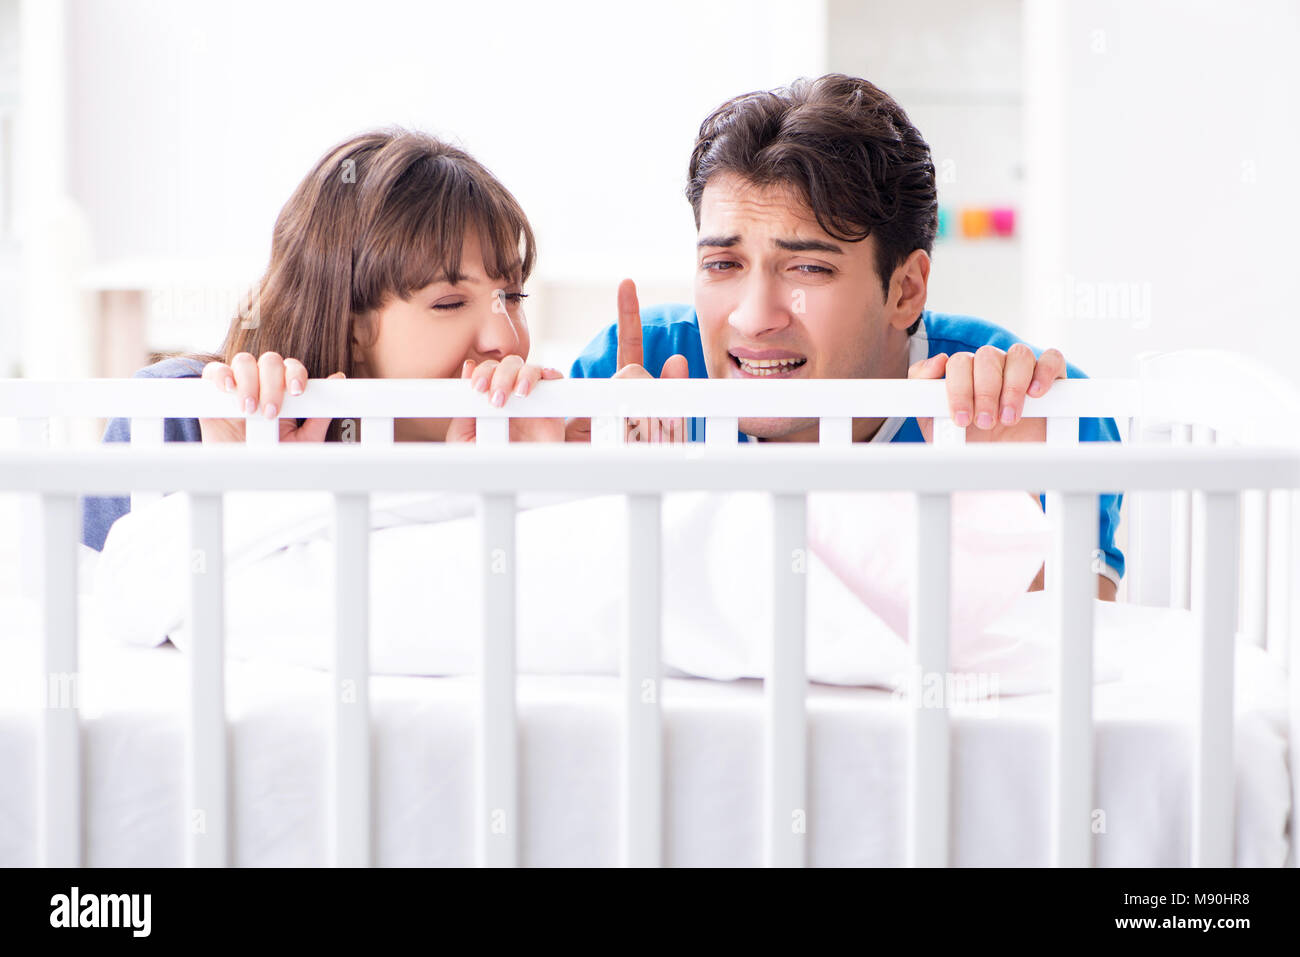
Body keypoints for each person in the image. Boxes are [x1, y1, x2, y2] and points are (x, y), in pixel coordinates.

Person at [568, 74, 1123, 599]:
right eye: (722, 263)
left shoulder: (1034, 411)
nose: (754, 318)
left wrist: (1010, 494)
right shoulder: (625, 382)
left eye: (808, 268)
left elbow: (1083, 659)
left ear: (905, 290)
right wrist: (601, 502)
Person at [82, 128, 561, 551]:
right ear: (349, 323)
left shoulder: (541, 442)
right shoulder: (177, 421)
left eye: (513, 295)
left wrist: (544, 489)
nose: (507, 336)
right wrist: (240, 494)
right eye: (449, 303)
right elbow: (98, 620)